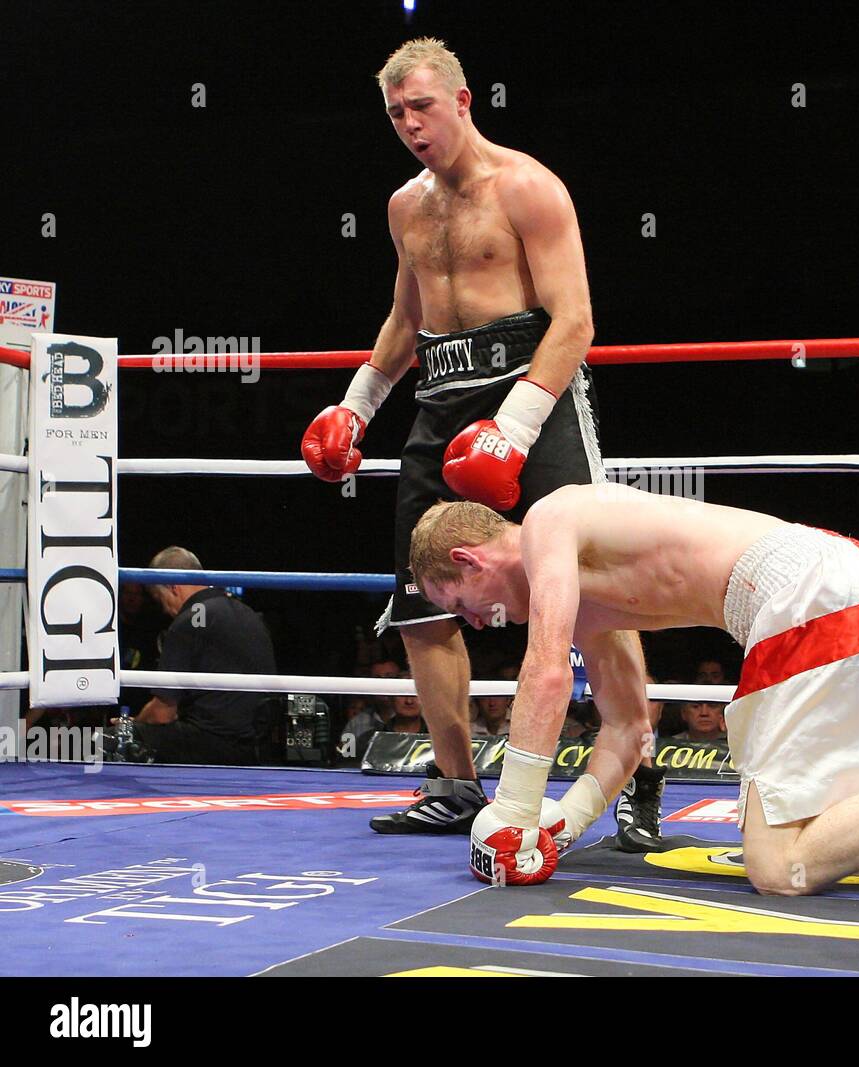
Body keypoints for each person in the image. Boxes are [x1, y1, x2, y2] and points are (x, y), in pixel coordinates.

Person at [409, 486, 859, 905]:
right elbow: (627, 731)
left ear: (470, 559)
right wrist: (558, 827)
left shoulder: (549, 522)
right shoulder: (594, 596)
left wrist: (510, 810)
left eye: (460, 603)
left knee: (779, 866)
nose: (474, 623)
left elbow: (544, 672)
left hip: (802, 594)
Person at [299, 37, 628, 837]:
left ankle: (636, 770)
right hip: (441, 402)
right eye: (395, 112)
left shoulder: (528, 188)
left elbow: (576, 319)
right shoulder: (404, 206)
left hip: (532, 394)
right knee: (421, 603)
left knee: (588, 593)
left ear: (462, 101)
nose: (410, 124)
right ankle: (458, 786)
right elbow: (405, 321)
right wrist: (357, 404)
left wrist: (514, 428)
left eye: (422, 106)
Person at [133, 547, 277, 765]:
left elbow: (163, 714)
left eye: (159, 599)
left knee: (110, 739)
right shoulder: (249, 614)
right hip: (257, 744)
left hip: (209, 743)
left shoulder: (189, 620)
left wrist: (131, 725)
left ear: (173, 587)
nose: (164, 610)